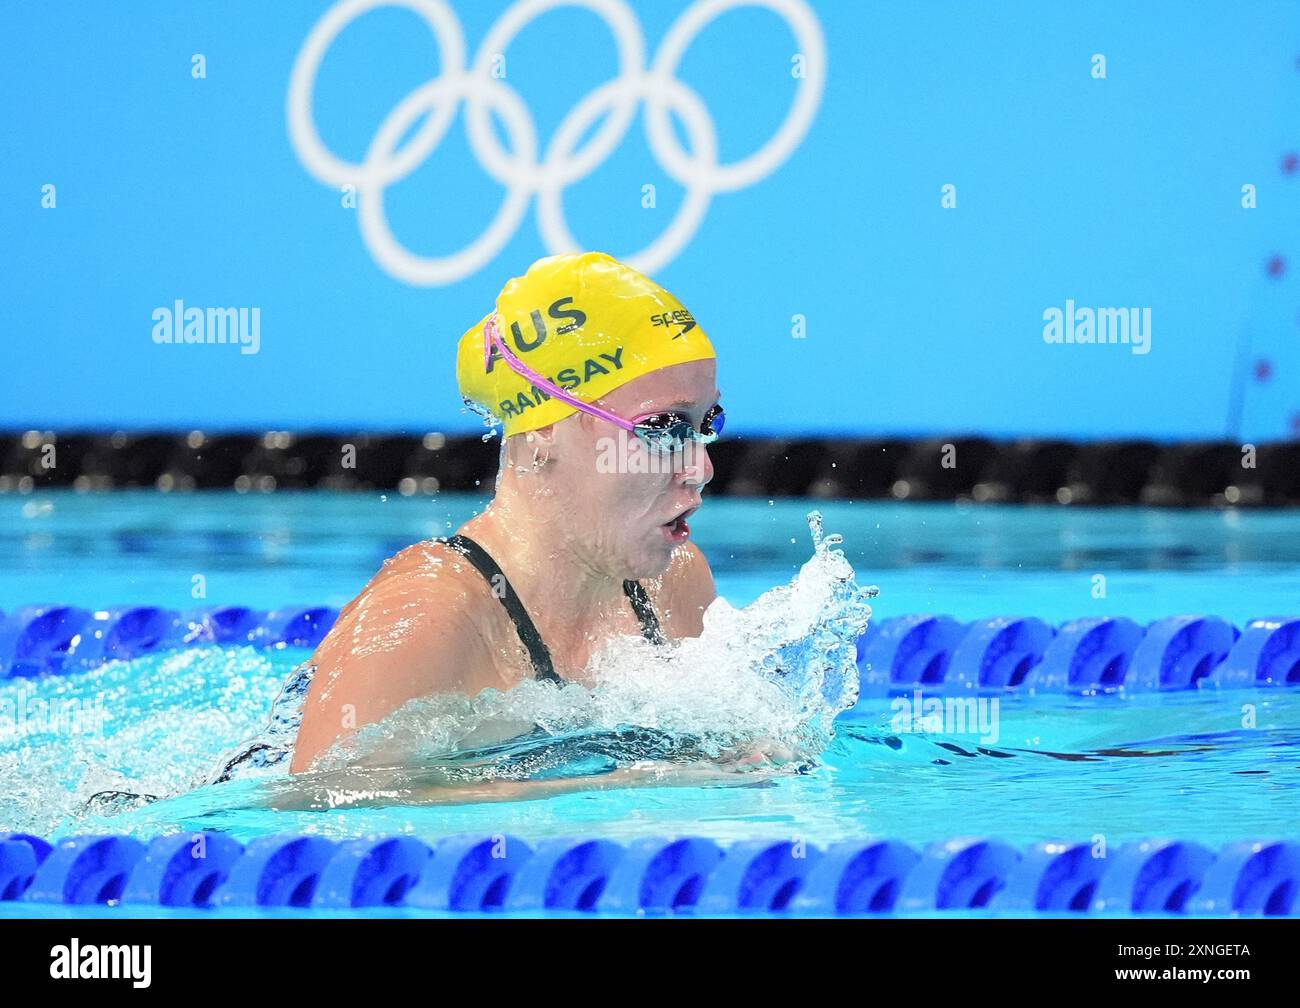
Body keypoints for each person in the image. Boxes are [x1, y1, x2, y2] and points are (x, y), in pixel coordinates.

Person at [289, 251, 725, 774]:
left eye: (708, 422)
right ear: (543, 429)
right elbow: (315, 809)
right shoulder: (425, 615)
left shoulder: (676, 581)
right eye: (663, 429)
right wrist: (622, 782)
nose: (700, 466)